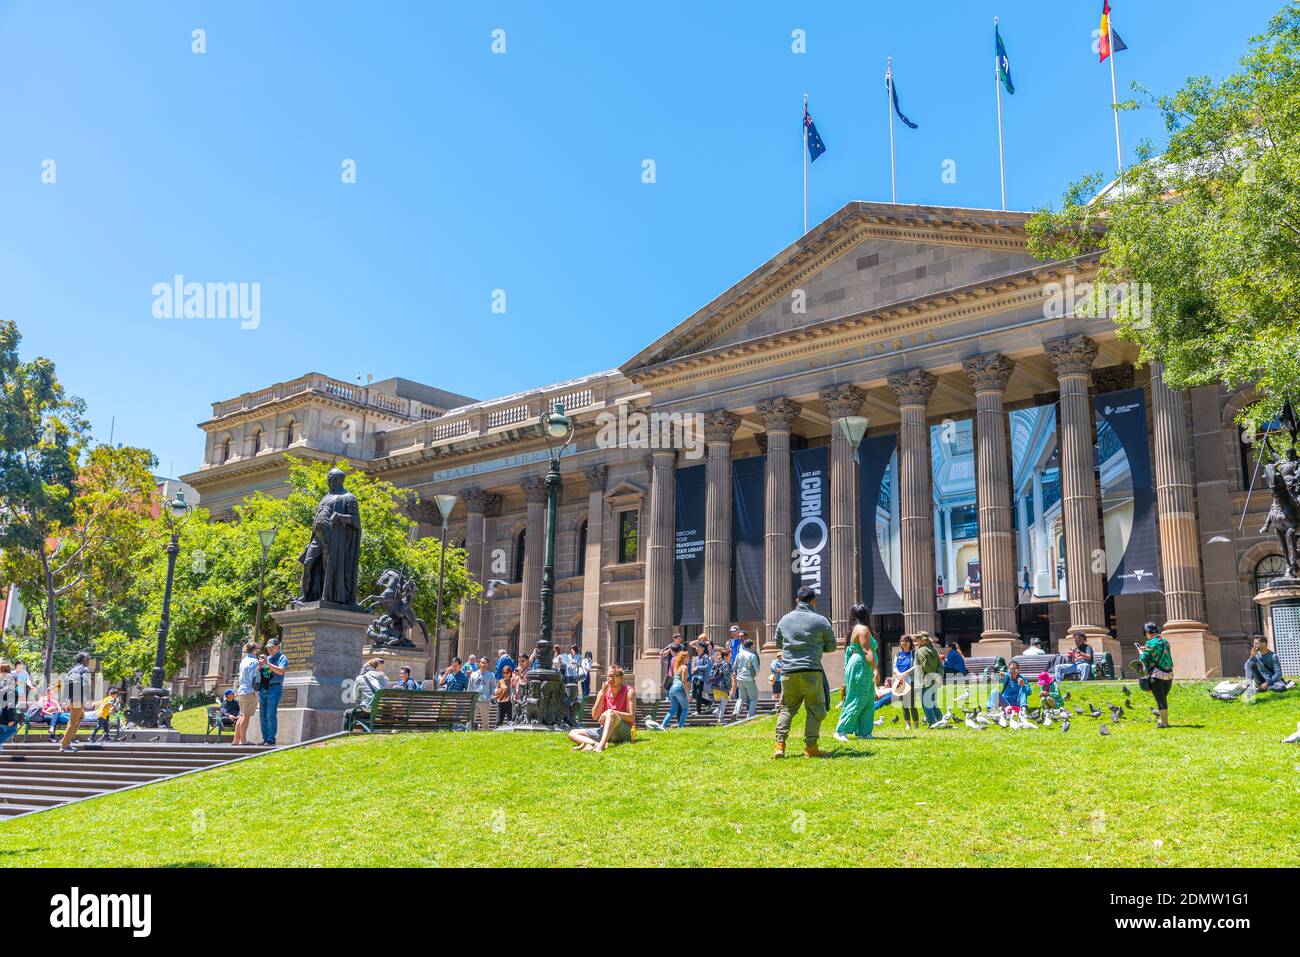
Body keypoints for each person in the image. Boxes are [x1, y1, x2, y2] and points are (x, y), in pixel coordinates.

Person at [772, 586, 837, 758]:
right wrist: (815, 645)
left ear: (797, 601)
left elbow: (778, 643)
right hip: (811, 671)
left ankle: (779, 745)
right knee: (815, 709)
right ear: (814, 601)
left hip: (788, 671)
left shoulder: (784, 620)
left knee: (786, 708)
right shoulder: (821, 621)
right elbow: (832, 646)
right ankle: (811, 748)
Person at [834, 604, 878, 742]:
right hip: (861, 666)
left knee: (868, 699)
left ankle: (864, 731)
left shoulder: (854, 629)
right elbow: (866, 651)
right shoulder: (863, 629)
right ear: (866, 615)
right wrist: (875, 669)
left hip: (862, 665)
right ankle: (841, 729)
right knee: (858, 697)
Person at [568, 665, 635, 752]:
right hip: (605, 730)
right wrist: (602, 693)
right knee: (573, 733)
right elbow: (595, 715)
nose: (611, 679)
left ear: (621, 678)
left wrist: (609, 712)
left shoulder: (629, 691)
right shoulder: (604, 691)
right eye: (609, 676)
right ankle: (593, 744)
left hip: (624, 731)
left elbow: (631, 717)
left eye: (614, 676)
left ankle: (601, 746)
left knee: (610, 713)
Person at [1138, 622, 1174, 729]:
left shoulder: (1150, 643)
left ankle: (1164, 723)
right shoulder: (1165, 641)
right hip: (1169, 674)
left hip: (1157, 674)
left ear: (1147, 632)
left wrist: (1141, 652)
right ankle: (1162, 720)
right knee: (1162, 698)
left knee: (1161, 700)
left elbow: (1143, 659)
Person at [648, 649, 691, 730]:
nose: (689, 658)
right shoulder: (684, 667)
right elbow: (684, 681)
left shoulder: (677, 668)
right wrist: (688, 694)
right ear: (684, 658)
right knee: (685, 708)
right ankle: (681, 727)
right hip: (679, 688)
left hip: (672, 690)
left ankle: (663, 725)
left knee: (672, 710)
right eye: (688, 657)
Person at [257, 637, 288, 746]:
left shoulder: (282, 658)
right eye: (268, 647)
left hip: (275, 688)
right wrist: (259, 665)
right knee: (262, 715)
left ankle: (271, 739)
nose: (269, 649)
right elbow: (257, 673)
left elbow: (280, 671)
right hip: (263, 688)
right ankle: (264, 738)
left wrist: (268, 664)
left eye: (271, 647)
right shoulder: (267, 658)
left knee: (270, 714)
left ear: (278, 647)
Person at [60, 652, 93, 752]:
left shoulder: (71, 670)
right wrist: (88, 699)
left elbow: (65, 684)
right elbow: (86, 684)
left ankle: (68, 737)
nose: (89, 661)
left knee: (81, 716)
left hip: (71, 698)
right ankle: (65, 745)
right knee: (73, 721)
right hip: (78, 698)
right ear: (83, 660)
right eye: (88, 659)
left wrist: (65, 700)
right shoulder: (85, 669)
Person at [913, 633, 946, 728]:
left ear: (922, 640)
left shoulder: (920, 651)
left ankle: (932, 723)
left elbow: (924, 665)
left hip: (924, 680)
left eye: (918, 639)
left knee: (926, 703)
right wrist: (938, 676)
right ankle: (940, 721)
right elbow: (940, 665)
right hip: (934, 680)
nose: (916, 641)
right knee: (933, 702)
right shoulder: (933, 650)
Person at [232, 640, 260, 746]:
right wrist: (255, 690)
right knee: (246, 716)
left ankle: (235, 740)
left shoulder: (243, 661)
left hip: (242, 691)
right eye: (257, 649)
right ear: (254, 650)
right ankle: (243, 741)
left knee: (242, 715)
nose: (258, 651)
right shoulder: (254, 662)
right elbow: (254, 678)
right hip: (249, 691)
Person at [731, 637, 761, 720]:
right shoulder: (752, 655)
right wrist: (755, 675)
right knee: (753, 698)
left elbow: (734, 667)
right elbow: (757, 668)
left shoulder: (739, 655)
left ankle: (735, 712)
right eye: (753, 645)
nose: (754, 646)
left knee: (741, 697)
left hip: (739, 678)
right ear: (751, 646)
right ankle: (750, 715)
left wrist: (736, 674)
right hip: (749, 678)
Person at [351, 658, 388, 723]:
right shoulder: (383, 678)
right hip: (381, 710)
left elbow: (355, 697)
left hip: (367, 710)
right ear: (376, 667)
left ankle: (345, 732)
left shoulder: (360, 678)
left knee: (348, 714)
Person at [893, 634, 918, 729]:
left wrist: (904, 674)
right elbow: (894, 666)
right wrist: (898, 674)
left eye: (906, 641)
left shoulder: (914, 653)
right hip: (899, 681)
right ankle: (907, 723)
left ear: (910, 642)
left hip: (910, 680)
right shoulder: (898, 654)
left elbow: (915, 667)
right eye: (902, 641)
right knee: (904, 703)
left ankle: (916, 724)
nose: (904, 643)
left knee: (911, 703)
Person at [468, 657, 495, 729]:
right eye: (482, 663)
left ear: (487, 664)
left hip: (485, 700)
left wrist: (492, 695)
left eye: (485, 663)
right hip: (475, 700)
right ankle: (467, 732)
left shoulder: (491, 675)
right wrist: (469, 698)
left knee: (485, 721)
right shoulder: (473, 674)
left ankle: (486, 735)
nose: (484, 664)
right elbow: (470, 687)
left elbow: (493, 686)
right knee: (470, 719)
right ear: (479, 664)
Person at [690, 638, 712, 715]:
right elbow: (695, 667)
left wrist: (698, 668)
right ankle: (708, 702)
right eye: (696, 646)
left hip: (701, 678)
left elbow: (707, 666)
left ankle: (698, 711)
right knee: (694, 695)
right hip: (695, 678)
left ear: (702, 648)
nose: (697, 648)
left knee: (699, 694)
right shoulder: (697, 658)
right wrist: (693, 670)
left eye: (698, 646)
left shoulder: (705, 656)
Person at [711, 646, 732, 725]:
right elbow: (727, 677)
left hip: (715, 685)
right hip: (722, 685)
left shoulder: (717, 664)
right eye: (729, 655)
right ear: (725, 656)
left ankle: (716, 711)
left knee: (724, 701)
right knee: (724, 701)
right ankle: (720, 719)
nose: (730, 657)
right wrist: (729, 687)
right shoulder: (726, 664)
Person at [0, 663, 18, 752]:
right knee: (13, 728)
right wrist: (11, 719)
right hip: (4, 717)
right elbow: (10, 705)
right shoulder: (11, 689)